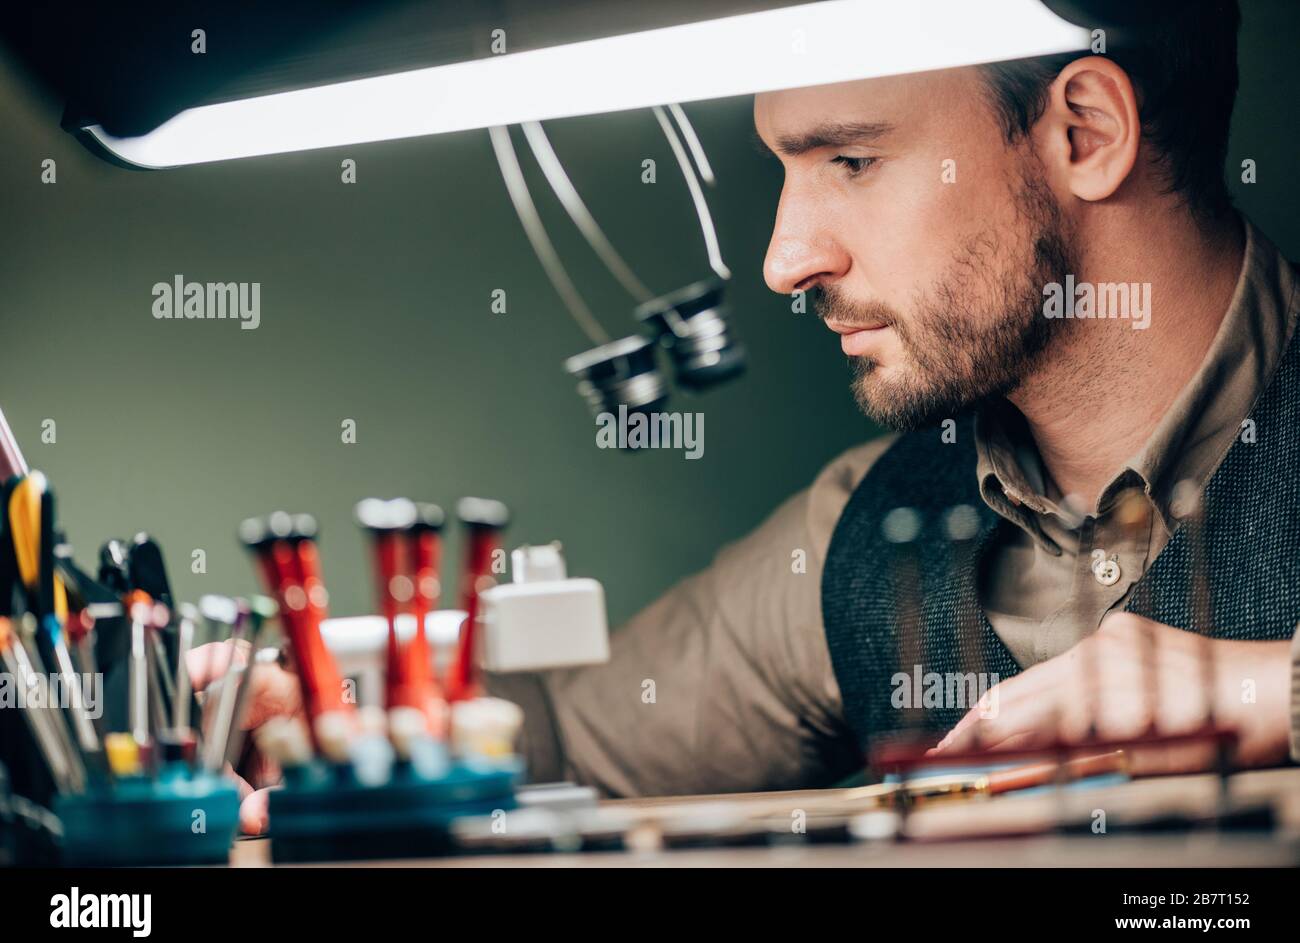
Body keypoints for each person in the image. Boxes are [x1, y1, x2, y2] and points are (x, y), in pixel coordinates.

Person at [201, 1, 1300, 835]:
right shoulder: (861, 533)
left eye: (851, 160)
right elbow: (575, 742)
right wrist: (333, 726)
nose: (785, 261)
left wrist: (1277, 689)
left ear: (1084, 134)